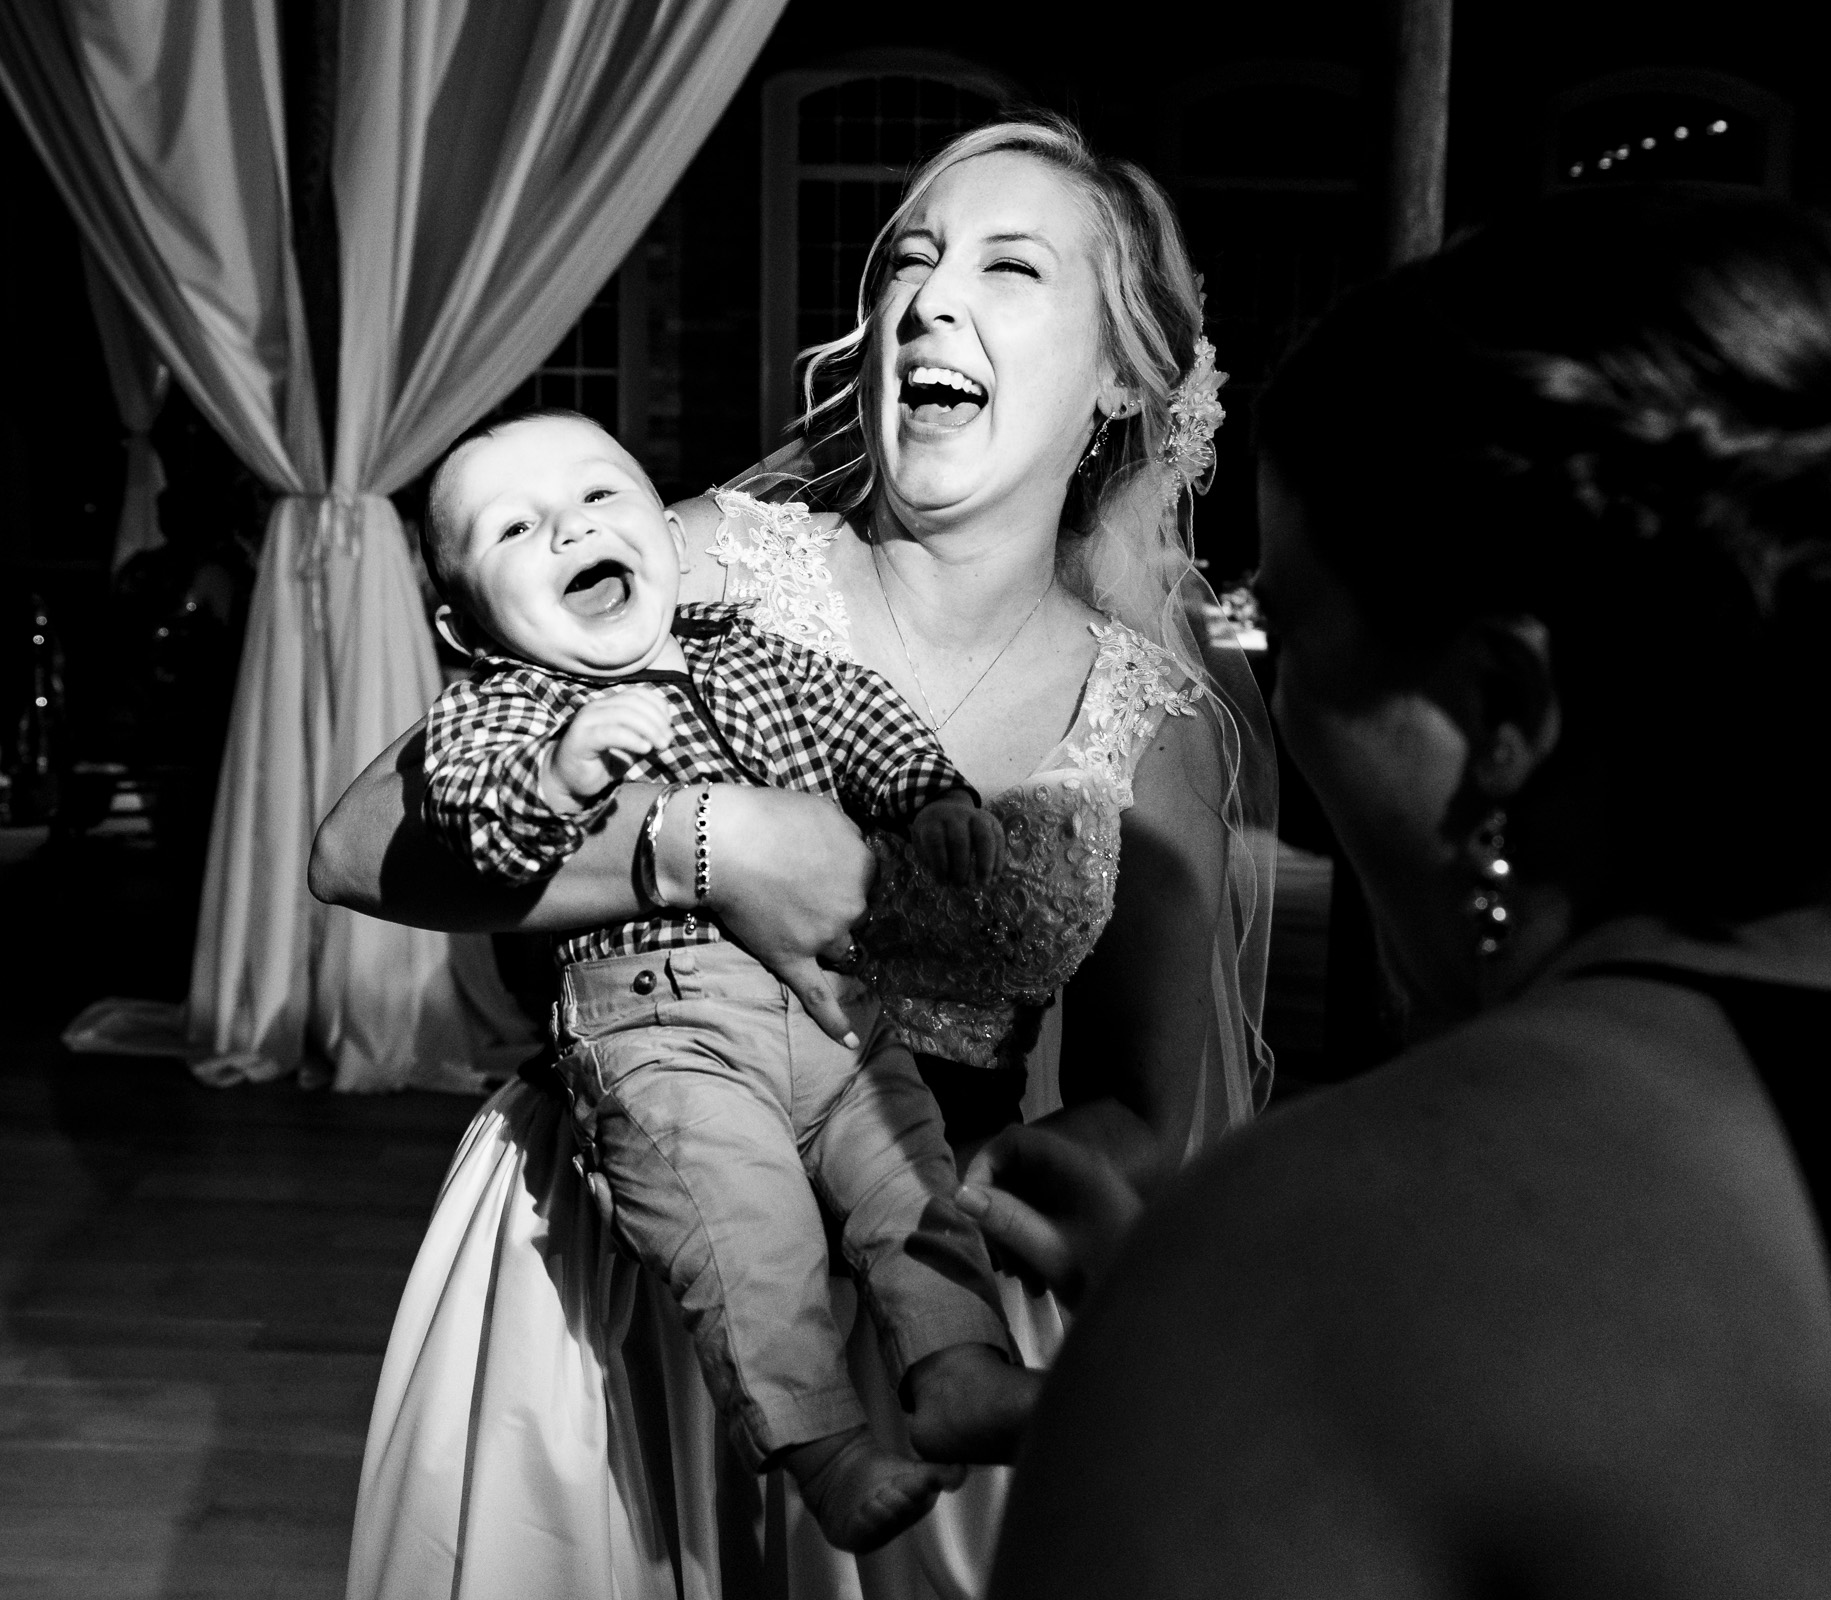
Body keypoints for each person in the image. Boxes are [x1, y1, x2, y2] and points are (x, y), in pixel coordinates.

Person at [967, 185, 1831, 1598]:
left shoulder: (1324, 1270)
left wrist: (1195, 1351)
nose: (1277, 714)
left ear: (1502, 704)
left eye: (1296, 640)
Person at [315, 113, 1273, 1598]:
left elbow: (1155, 1105)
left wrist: (1027, 1170)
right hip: (608, 1261)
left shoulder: (1153, 725)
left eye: (1010, 268)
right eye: (909, 261)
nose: (930, 299)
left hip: (929, 1292)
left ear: (1120, 380)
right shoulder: (707, 560)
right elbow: (357, 843)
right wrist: (692, 845)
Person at [416, 407, 1034, 1551]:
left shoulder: (752, 653)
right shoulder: (506, 706)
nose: (568, 529)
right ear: (464, 623)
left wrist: (930, 794)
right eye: (516, 527)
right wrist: (557, 775)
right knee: (746, 1239)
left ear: (660, 524)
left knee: (912, 1181)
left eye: (600, 496)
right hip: (661, 1030)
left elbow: (863, 717)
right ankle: (828, 1450)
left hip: (835, 1018)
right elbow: (461, 821)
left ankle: (958, 1363)